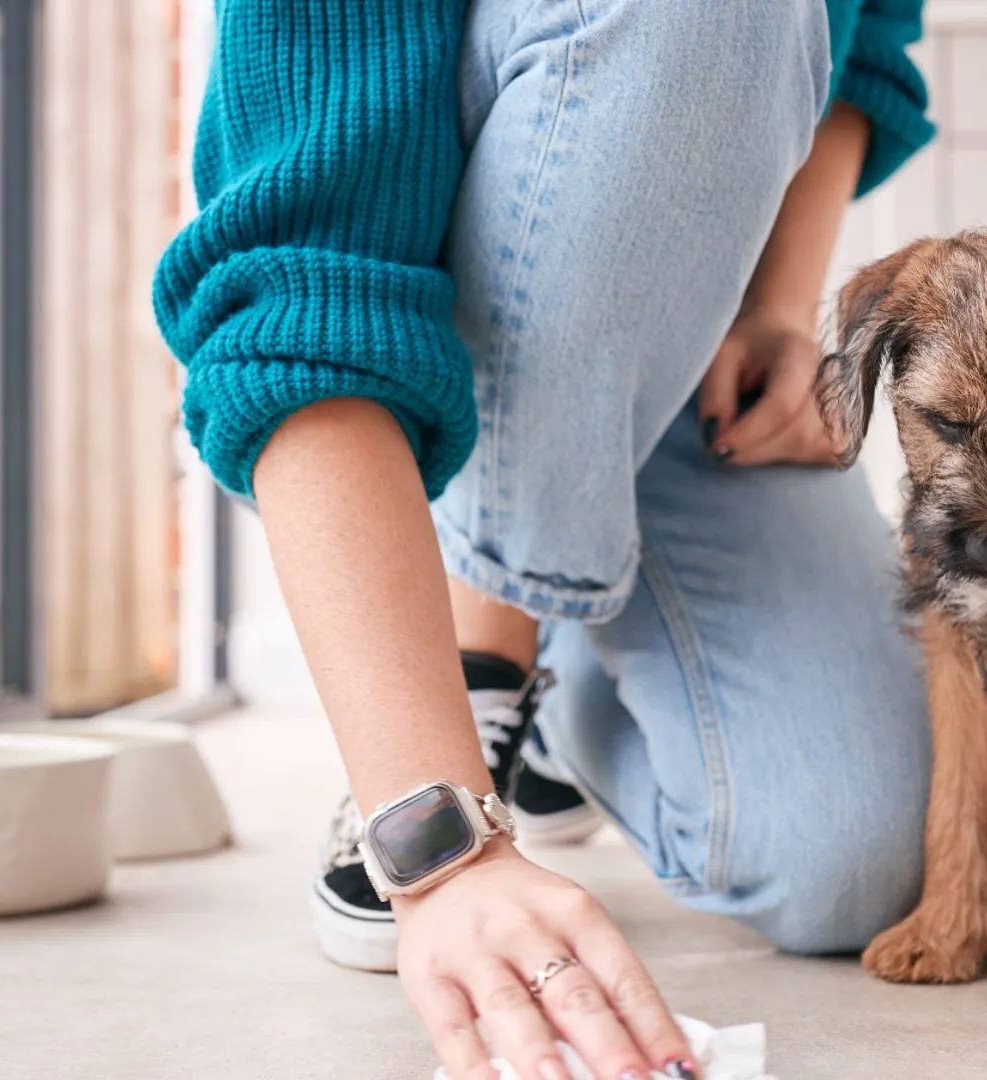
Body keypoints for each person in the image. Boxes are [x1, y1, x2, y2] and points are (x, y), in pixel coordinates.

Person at [155, 3, 935, 1078]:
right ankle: (481, 665)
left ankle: (557, 668)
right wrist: (438, 846)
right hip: (409, 366)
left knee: (849, 865)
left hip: (683, 340)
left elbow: (870, 39)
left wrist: (779, 307)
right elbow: (300, 300)